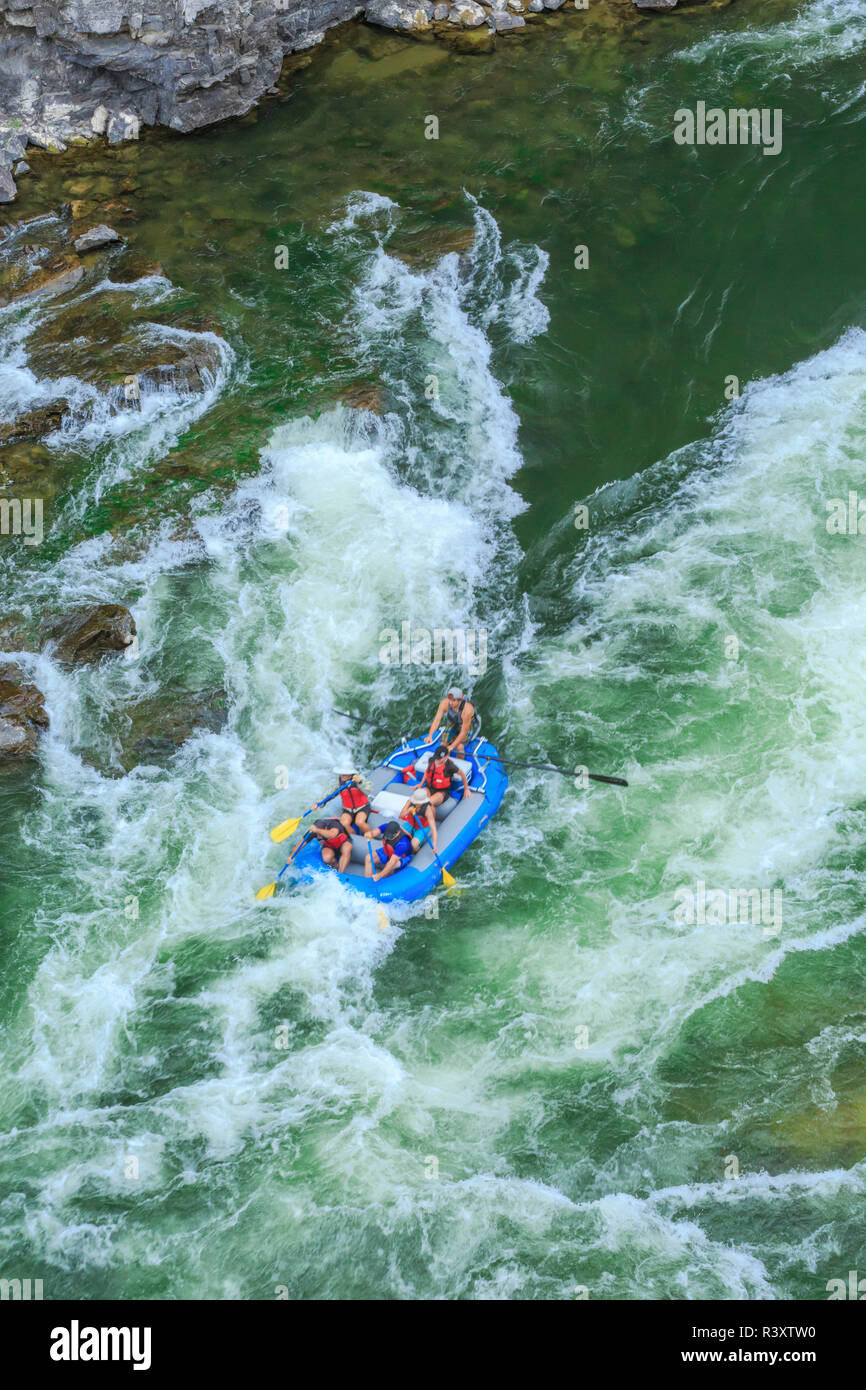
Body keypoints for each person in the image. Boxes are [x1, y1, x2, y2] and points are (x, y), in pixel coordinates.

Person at [416, 743, 471, 808]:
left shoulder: (450, 766)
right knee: (419, 800)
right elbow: (427, 772)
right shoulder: (431, 760)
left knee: (428, 804)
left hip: (442, 791)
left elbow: (462, 774)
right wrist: (421, 784)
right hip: (429, 787)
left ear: (446, 756)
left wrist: (466, 789)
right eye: (437, 758)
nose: (437, 760)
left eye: (440, 759)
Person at [425, 688, 477, 756]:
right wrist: (430, 735)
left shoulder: (467, 710)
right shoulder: (444, 703)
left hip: (468, 724)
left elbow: (464, 732)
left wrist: (452, 746)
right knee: (443, 745)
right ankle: (445, 762)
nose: (450, 703)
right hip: (454, 721)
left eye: (453, 700)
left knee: (459, 747)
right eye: (449, 699)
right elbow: (437, 720)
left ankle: (459, 763)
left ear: (460, 700)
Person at [398, 787, 438, 855]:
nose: (415, 803)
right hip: (410, 824)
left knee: (413, 845)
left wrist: (434, 844)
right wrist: (408, 811)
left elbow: (433, 828)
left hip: (422, 828)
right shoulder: (410, 801)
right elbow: (401, 815)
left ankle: (418, 848)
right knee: (397, 835)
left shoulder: (428, 810)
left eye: (418, 802)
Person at [335, 771, 375, 838]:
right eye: (341, 774)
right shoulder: (338, 783)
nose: (342, 776)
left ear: (350, 774)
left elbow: (368, 790)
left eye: (344, 774)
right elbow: (329, 793)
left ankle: (370, 837)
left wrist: (360, 782)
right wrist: (318, 803)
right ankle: (354, 839)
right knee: (343, 824)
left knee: (359, 822)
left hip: (362, 807)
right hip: (348, 809)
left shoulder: (360, 778)